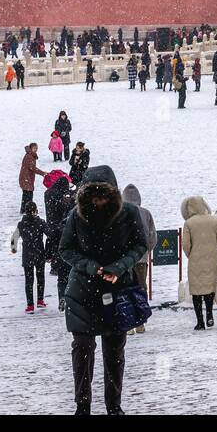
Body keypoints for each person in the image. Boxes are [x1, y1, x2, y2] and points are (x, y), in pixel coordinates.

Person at [61, 168, 148, 416]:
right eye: (93, 197)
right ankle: (82, 405)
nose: (98, 202)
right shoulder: (76, 216)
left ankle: (114, 405)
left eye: (102, 197)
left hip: (117, 290)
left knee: (114, 352)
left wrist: (119, 268)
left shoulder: (129, 213)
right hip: (83, 292)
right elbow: (65, 249)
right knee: (82, 348)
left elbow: (139, 244)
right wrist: (91, 267)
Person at [181, 195, 217, 330]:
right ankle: (210, 314)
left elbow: (186, 245)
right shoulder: (214, 220)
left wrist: (192, 255)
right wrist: (212, 250)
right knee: (209, 288)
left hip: (195, 259)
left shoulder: (189, 223)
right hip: (211, 258)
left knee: (196, 291)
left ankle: (200, 321)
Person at [122, 184, 156, 333]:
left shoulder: (120, 213)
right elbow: (153, 236)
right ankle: (140, 322)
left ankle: (128, 322)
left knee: (125, 288)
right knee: (141, 287)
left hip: (124, 260)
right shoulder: (146, 213)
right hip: (141, 259)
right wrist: (146, 250)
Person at [43, 170, 75, 310]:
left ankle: (62, 297)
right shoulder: (71, 226)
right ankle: (71, 298)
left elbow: (51, 239)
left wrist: (48, 254)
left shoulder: (49, 194)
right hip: (71, 252)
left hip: (56, 238)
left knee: (61, 278)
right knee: (71, 277)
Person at [12, 201, 48, 313]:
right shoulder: (40, 223)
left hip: (27, 255)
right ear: (35, 210)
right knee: (40, 277)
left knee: (29, 280)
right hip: (39, 253)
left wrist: (14, 248)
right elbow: (50, 234)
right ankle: (40, 300)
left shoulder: (21, 224)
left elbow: (14, 237)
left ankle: (30, 305)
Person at [19, 143, 44, 214]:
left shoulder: (30, 155)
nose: (35, 150)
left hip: (27, 178)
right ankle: (27, 210)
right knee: (28, 194)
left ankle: (24, 209)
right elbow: (32, 168)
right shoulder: (29, 156)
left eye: (36, 148)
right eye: (34, 148)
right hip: (26, 178)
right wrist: (43, 173)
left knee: (26, 194)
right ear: (31, 148)